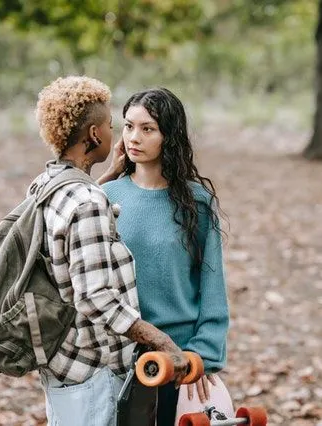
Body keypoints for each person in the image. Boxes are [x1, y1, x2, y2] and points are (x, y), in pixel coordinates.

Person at [33, 76, 188, 426]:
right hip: (90, 371)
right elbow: (95, 297)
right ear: (94, 135)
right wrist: (161, 340)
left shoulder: (47, 184)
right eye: (114, 125)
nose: (123, 135)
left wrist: (109, 174)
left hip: (60, 360)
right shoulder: (88, 202)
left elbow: (75, 214)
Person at [102, 87, 229, 425]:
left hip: (179, 358)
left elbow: (212, 286)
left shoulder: (197, 203)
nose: (134, 137)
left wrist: (201, 356)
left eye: (148, 129)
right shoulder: (105, 197)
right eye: (128, 126)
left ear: (168, 136)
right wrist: (108, 175)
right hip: (118, 358)